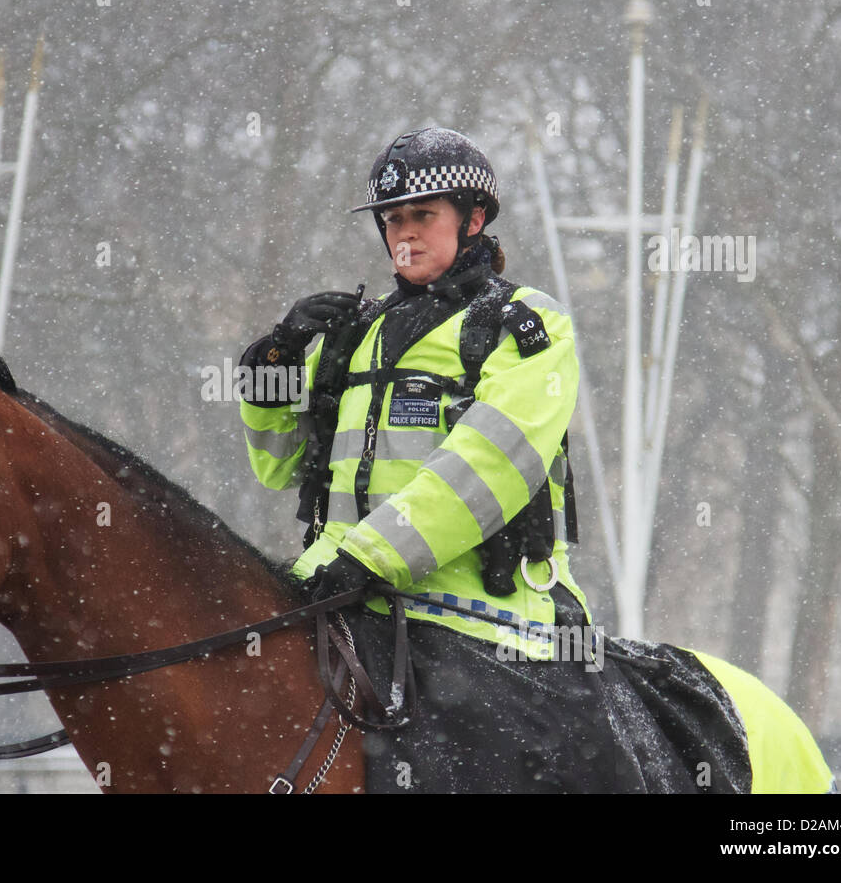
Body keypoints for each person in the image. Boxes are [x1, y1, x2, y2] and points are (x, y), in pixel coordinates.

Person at [238, 127, 699, 792]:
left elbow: (490, 464)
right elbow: (280, 465)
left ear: (474, 218)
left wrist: (367, 558)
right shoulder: (355, 335)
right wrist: (274, 361)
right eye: (392, 220)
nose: (404, 233)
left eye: (422, 215)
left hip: (486, 618)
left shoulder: (525, 325)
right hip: (334, 596)